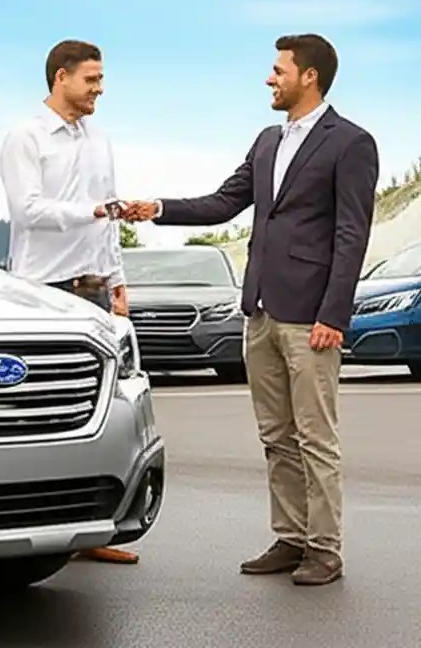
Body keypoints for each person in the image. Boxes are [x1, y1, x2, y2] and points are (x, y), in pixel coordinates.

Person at [121, 34, 378, 586]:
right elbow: (223, 202)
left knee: (315, 438)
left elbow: (352, 233)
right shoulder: (267, 141)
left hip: (309, 316)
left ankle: (324, 549)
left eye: (279, 70)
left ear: (309, 76)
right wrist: (157, 208)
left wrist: (333, 315)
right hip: (259, 312)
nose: (269, 78)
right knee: (276, 436)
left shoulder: (351, 143)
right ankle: (290, 538)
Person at [0, 38, 138, 565]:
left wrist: (117, 278)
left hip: (94, 290)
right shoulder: (26, 136)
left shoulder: (99, 139)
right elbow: (27, 210)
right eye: (91, 79)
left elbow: (112, 213)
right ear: (61, 77)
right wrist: (92, 211)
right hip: (41, 291)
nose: (100, 89)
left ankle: (86, 531)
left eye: (101, 79)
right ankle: (23, 524)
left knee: (93, 412)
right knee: (34, 414)